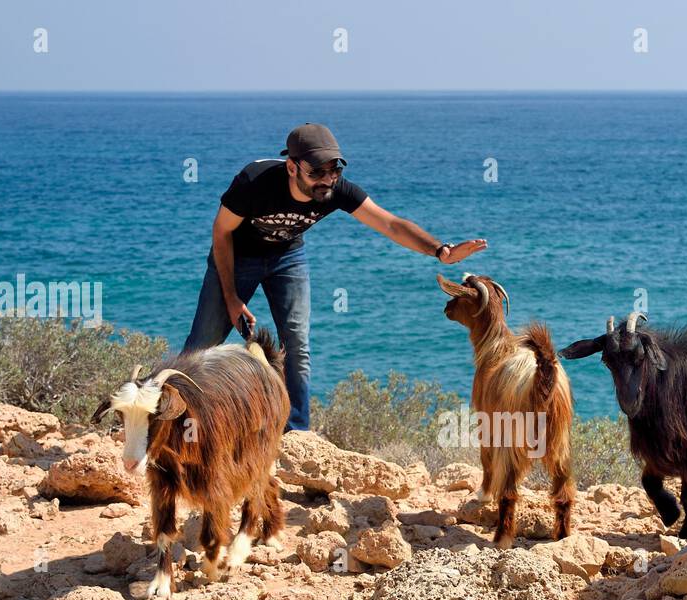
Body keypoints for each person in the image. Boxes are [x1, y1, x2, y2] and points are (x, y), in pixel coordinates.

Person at [183, 122, 487, 430]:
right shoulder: (254, 183)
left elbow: (391, 224)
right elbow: (221, 232)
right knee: (203, 343)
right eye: (316, 172)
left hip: (286, 257)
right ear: (292, 167)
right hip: (238, 257)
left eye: (334, 170)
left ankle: (297, 433)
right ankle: (162, 413)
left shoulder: (335, 190)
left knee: (297, 345)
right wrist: (232, 298)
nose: (327, 179)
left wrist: (441, 251)